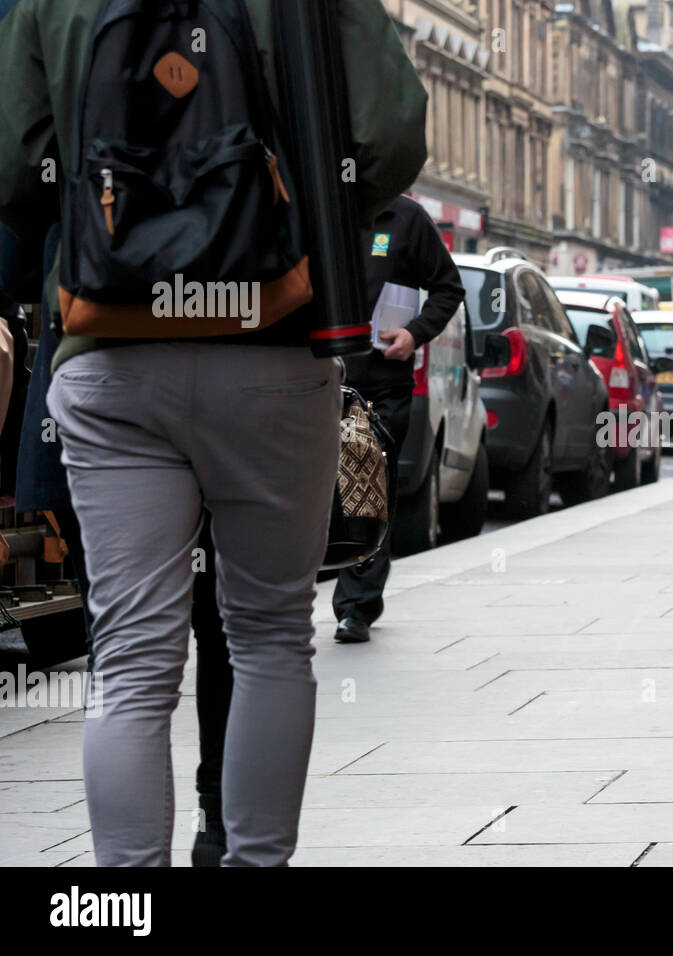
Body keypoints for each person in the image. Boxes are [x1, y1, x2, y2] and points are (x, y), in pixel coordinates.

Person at [0, 0, 428, 866]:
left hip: (109, 342)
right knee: (269, 636)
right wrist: (284, 204)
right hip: (271, 337)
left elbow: (15, 169)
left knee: (128, 659)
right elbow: (388, 140)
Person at [333, 195, 465, 644]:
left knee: (367, 492)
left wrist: (414, 333)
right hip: (314, 379)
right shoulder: (316, 201)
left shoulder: (405, 218)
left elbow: (449, 286)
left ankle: (356, 607)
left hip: (378, 385)